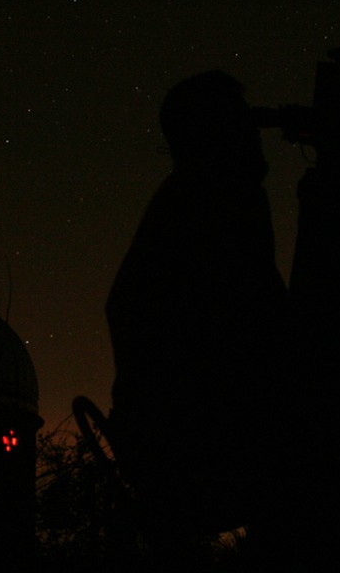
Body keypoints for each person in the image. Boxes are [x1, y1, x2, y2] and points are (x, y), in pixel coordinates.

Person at [105, 71, 288, 564]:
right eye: (241, 124)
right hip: (193, 450)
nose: (254, 134)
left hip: (173, 444)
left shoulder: (199, 195)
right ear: (217, 134)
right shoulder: (216, 199)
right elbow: (256, 318)